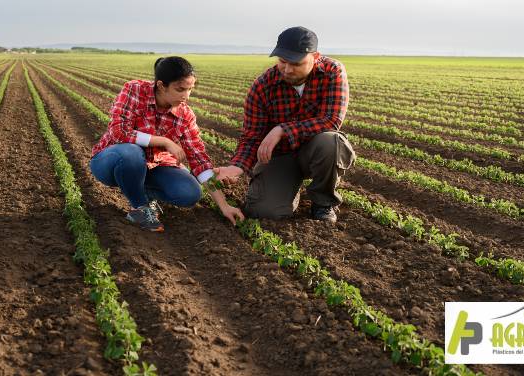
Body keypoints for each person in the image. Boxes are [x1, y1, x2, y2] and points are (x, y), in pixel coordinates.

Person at [214, 26, 356, 223]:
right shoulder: (263, 86)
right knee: (265, 211)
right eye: (282, 61)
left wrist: (282, 129)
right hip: (280, 156)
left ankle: (323, 202)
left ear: (315, 56)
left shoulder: (332, 72)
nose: (288, 70)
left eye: (296, 63)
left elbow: (330, 120)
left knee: (332, 142)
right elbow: (252, 136)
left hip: (315, 151)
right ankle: (287, 188)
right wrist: (236, 167)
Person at [90, 56, 244, 232]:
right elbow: (119, 131)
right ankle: (140, 209)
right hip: (112, 162)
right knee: (131, 153)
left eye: (190, 89)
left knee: (190, 192)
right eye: (180, 89)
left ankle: (143, 192)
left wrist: (224, 206)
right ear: (161, 86)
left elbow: (199, 160)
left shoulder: (185, 115)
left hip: (154, 167)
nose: (186, 96)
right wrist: (165, 141)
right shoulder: (135, 90)